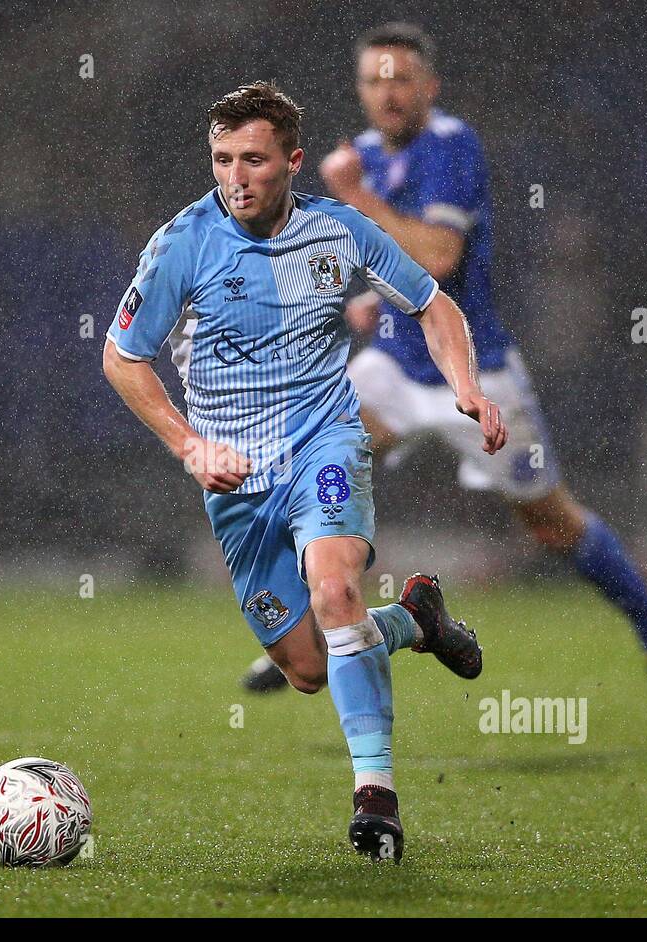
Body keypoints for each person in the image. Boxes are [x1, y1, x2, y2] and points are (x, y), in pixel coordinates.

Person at [240, 23, 647, 726]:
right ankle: (309, 634)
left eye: (401, 79)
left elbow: (440, 255)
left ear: (429, 86)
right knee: (304, 467)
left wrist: (355, 200)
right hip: (392, 364)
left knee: (552, 523)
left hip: (470, 374)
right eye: (374, 80)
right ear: (359, 90)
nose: (387, 93)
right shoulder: (357, 158)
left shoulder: (451, 146)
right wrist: (352, 301)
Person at [103, 82, 507, 862]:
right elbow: (122, 359)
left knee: (334, 590)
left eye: (252, 159)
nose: (235, 177)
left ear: (291, 161)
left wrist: (467, 387)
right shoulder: (182, 243)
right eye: (222, 160)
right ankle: (417, 622)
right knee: (309, 668)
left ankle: (376, 803)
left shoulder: (338, 232)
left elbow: (434, 303)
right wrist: (191, 446)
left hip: (324, 444)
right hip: (235, 478)